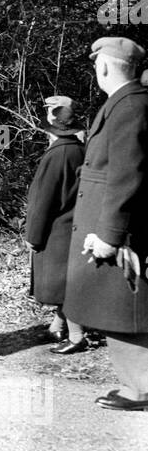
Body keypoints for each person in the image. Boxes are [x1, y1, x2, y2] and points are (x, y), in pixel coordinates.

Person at [63, 36, 148, 408]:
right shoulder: (123, 104)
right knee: (118, 310)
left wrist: (110, 234)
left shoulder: (129, 106)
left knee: (126, 310)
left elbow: (127, 176)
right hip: (108, 225)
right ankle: (136, 384)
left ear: (103, 67)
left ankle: (141, 389)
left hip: (119, 231)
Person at [24, 95, 87, 354]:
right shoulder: (78, 149)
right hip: (74, 228)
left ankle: (77, 335)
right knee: (65, 283)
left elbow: (43, 201)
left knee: (63, 287)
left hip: (56, 232)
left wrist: (33, 236)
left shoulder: (57, 154)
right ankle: (56, 327)